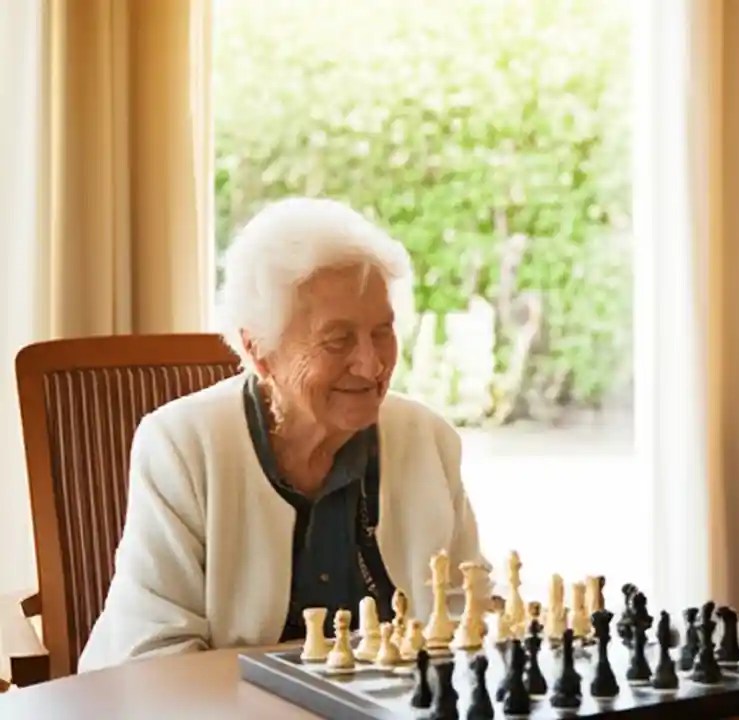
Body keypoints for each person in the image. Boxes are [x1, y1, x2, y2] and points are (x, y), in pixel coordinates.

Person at [78, 198, 493, 671]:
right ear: (259, 350)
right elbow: (154, 658)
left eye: (382, 332)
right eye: (337, 339)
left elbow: (467, 619)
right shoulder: (181, 445)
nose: (372, 364)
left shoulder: (428, 440)